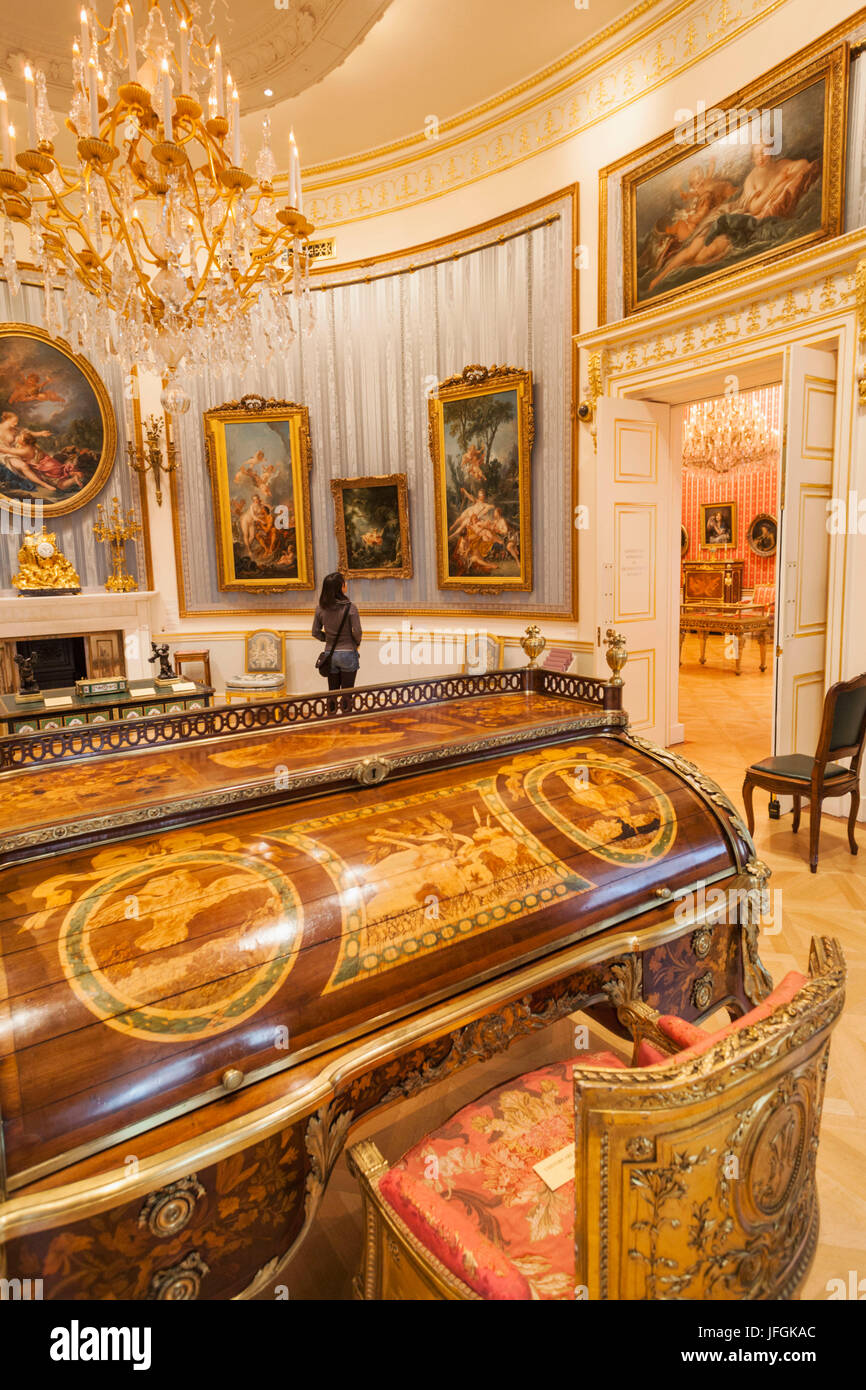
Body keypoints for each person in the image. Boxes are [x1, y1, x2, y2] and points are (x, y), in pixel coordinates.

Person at [312, 571, 362, 691]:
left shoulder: (320, 608)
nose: (346, 584)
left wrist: (328, 638)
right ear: (340, 587)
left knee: (332, 692)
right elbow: (357, 631)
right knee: (347, 693)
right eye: (344, 582)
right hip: (348, 652)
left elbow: (315, 632)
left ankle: (331, 710)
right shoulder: (350, 607)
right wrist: (356, 642)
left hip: (330, 654)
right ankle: (347, 710)